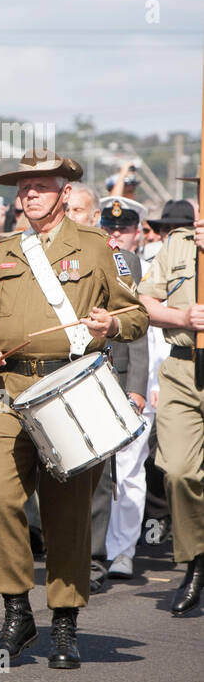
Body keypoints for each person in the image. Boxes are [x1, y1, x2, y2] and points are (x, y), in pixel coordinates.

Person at [0, 150, 147, 669]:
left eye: (41, 186)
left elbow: (137, 314)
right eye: (24, 187)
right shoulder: (0, 253)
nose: (30, 194)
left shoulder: (93, 247)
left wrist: (112, 326)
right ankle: (17, 609)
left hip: (71, 391)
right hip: (9, 392)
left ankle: (64, 621)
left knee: (67, 514)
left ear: (64, 192)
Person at [136, 204, 204, 616]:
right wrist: (181, 316)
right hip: (182, 366)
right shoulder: (177, 244)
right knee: (177, 470)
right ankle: (196, 560)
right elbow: (145, 301)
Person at [86, 197, 150, 594]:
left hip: (119, 374)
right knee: (92, 470)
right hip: (85, 376)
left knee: (124, 471)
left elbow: (137, 328)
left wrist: (137, 387)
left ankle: (120, 550)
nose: (112, 234)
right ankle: (87, 552)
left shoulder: (127, 262)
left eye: (121, 228)